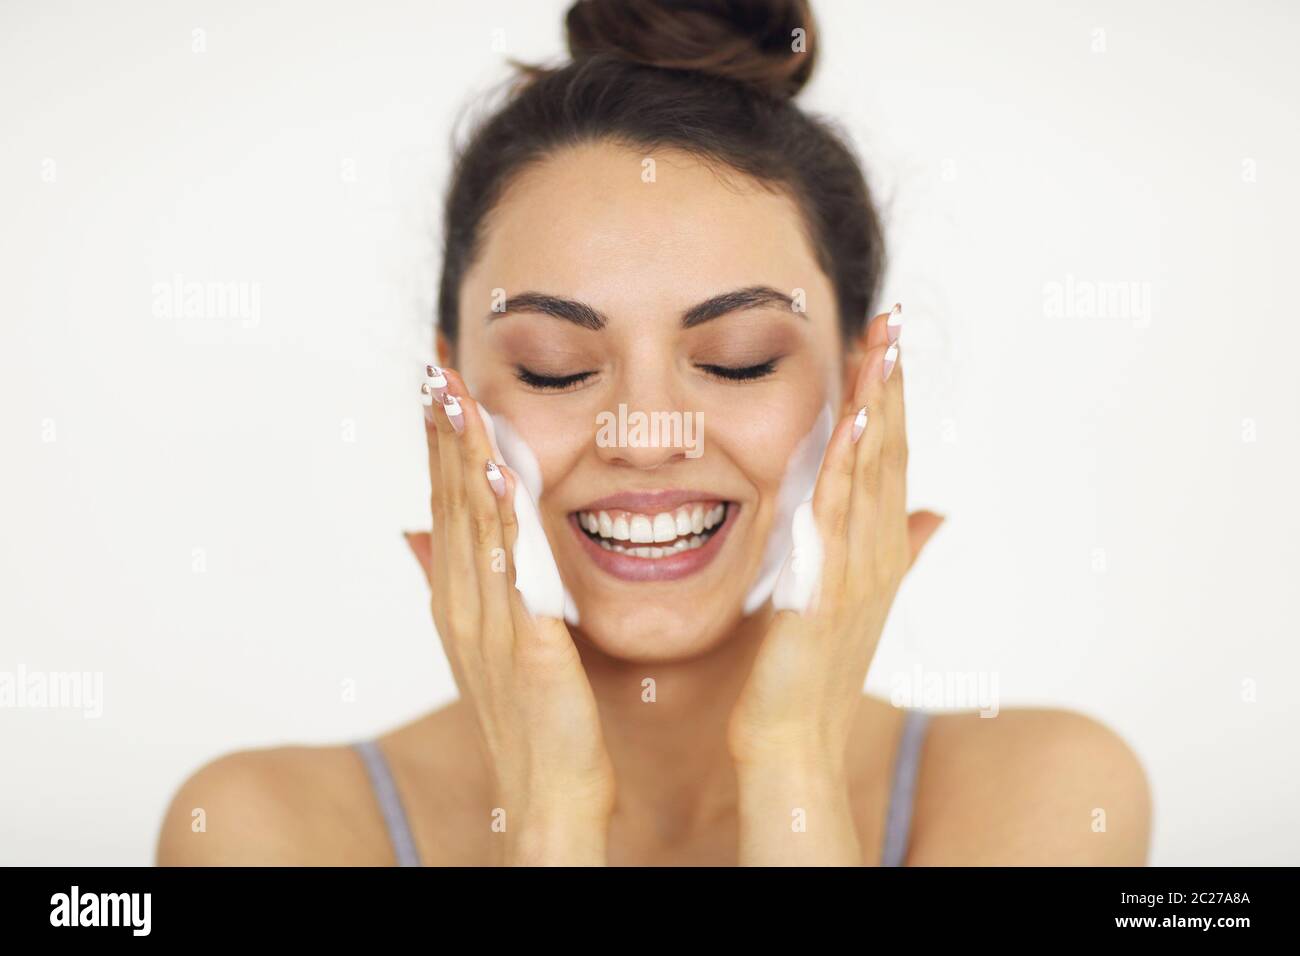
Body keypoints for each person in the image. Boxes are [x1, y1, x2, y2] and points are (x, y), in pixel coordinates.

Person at [157, 0, 1150, 866]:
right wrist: (548, 811)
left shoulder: (1040, 794)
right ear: (447, 392)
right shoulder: (266, 828)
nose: (644, 432)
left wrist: (791, 762)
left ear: (859, 390)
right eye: (554, 365)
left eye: (736, 358)